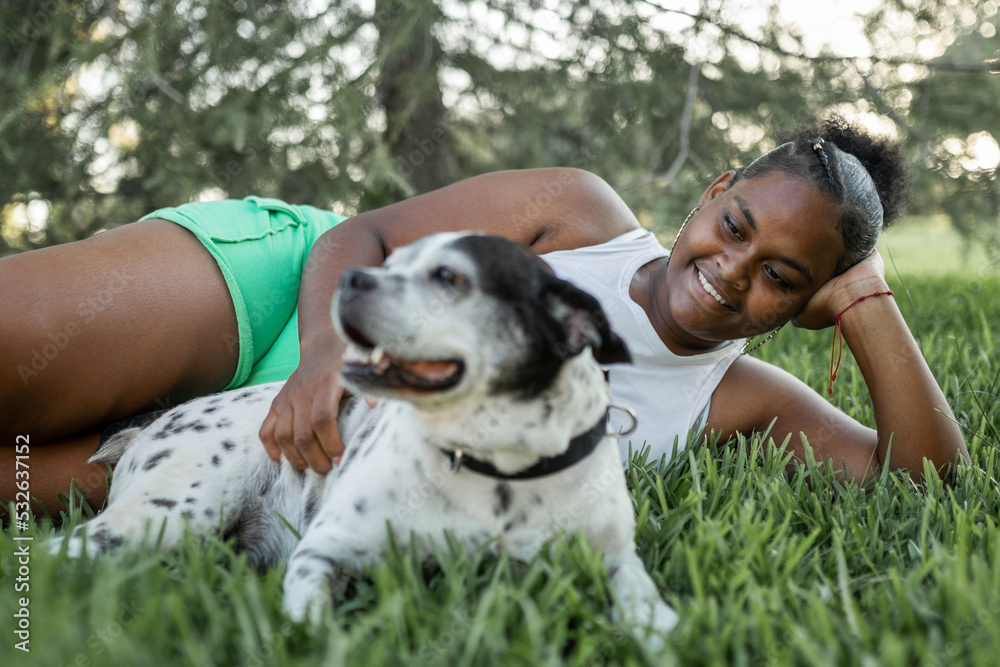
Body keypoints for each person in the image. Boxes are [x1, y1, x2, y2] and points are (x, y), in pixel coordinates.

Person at [0, 115, 969, 515]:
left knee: (20, 480)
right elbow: (363, 238)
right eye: (733, 224)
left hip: (262, 461)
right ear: (714, 189)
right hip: (274, 302)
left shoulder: (743, 398)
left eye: (781, 275)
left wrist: (868, 296)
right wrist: (317, 366)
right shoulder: (579, 213)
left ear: (810, 304)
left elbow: (922, 474)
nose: (728, 271)